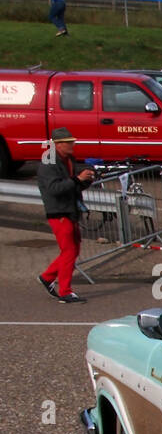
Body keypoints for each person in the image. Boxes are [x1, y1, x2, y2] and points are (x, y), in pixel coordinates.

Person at [36, 128, 93, 303]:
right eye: (69, 143)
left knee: (74, 249)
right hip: (58, 212)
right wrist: (77, 179)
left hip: (70, 210)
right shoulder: (49, 162)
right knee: (68, 251)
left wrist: (86, 180)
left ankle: (47, 277)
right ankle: (65, 291)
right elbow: (54, 189)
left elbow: (72, 186)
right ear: (58, 145)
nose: (72, 145)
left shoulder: (68, 159)